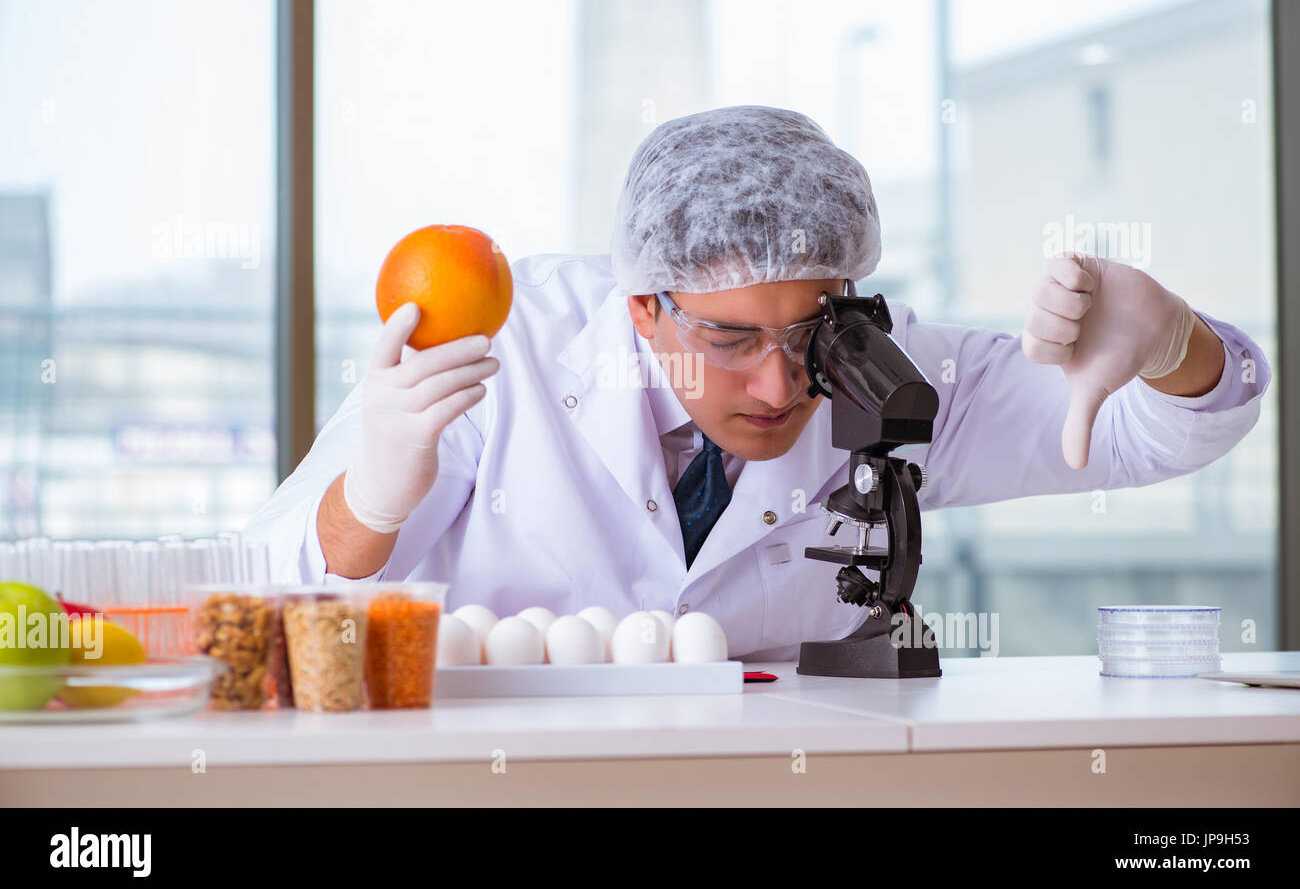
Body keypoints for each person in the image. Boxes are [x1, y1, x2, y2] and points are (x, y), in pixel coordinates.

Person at [242, 105, 1270, 662]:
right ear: (642, 304)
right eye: (729, 337)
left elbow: (1144, 435)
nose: (779, 383)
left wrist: (1171, 342)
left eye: (812, 330)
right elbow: (280, 601)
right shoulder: (504, 348)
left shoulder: (881, 360)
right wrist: (371, 500)